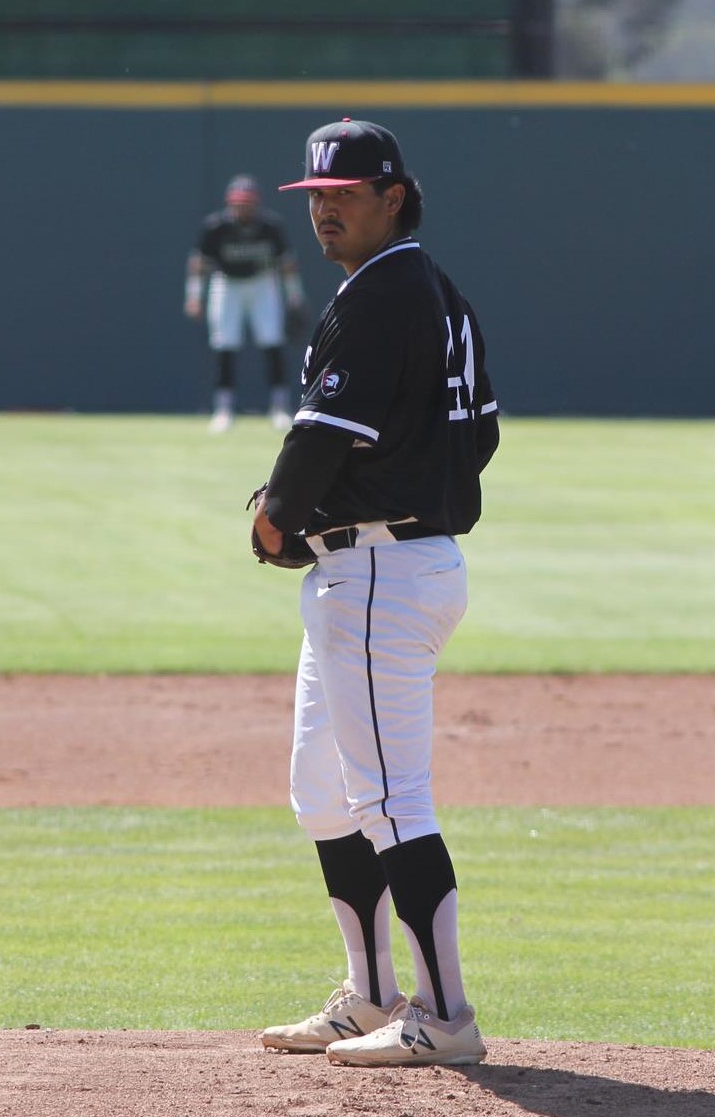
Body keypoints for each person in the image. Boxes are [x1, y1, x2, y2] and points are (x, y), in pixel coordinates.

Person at [248, 118, 500, 1068]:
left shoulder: (383, 293)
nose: (328, 212)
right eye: (317, 198)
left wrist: (279, 515)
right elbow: (473, 439)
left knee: (392, 801)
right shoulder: (440, 295)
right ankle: (368, 993)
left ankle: (446, 1015)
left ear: (395, 195)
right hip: (375, 565)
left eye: (346, 194)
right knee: (324, 792)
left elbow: (318, 439)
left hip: (379, 578)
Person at [186, 174, 305, 432]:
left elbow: (287, 264)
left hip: (262, 283)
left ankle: (280, 407)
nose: (243, 208)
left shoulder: (270, 227)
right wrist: (194, 296)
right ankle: (223, 409)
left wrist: (295, 295)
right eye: (239, 203)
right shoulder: (216, 227)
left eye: (248, 203)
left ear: (256, 204)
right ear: (230, 203)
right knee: (224, 344)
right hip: (227, 283)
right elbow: (198, 264)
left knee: (272, 341)